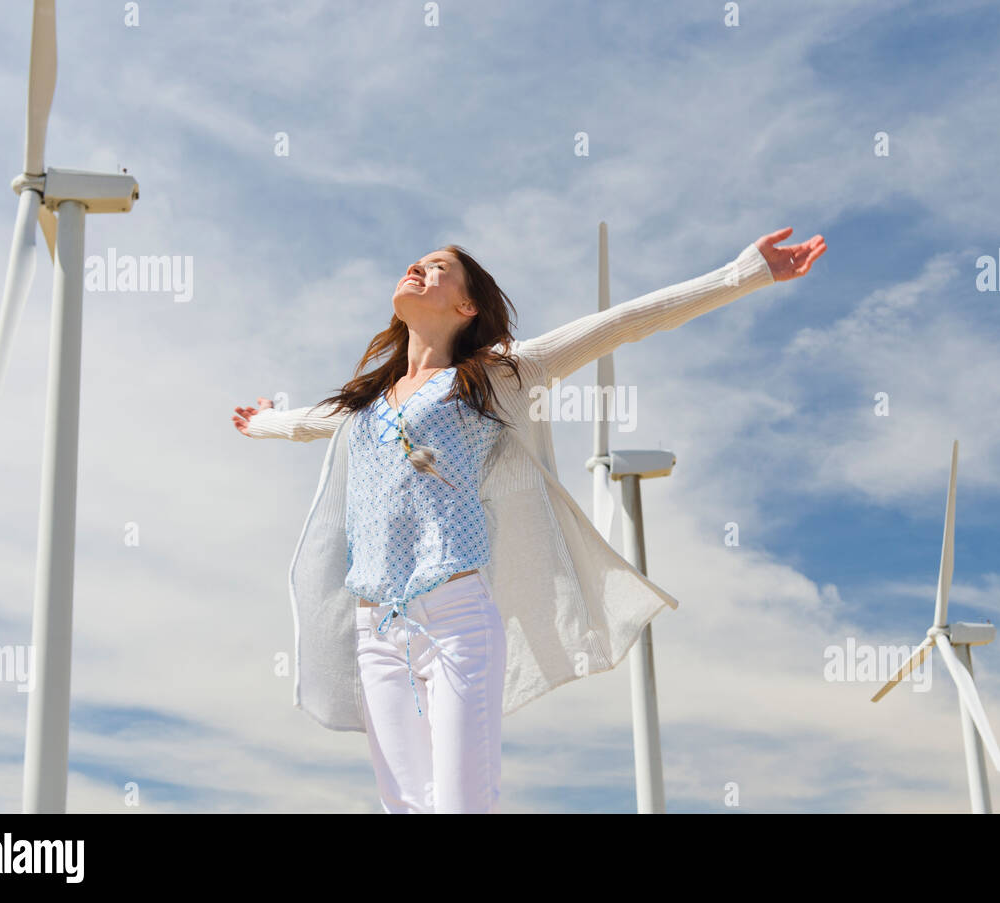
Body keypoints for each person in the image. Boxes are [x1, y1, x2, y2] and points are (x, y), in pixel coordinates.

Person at [233, 227, 826, 813]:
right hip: (377, 629)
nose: (418, 268)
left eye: (439, 266)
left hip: (454, 616)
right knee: (407, 805)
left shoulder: (499, 376)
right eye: (415, 261)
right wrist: (262, 421)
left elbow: (620, 323)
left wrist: (743, 275)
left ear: (467, 305)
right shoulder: (364, 403)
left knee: (464, 805)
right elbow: (308, 422)